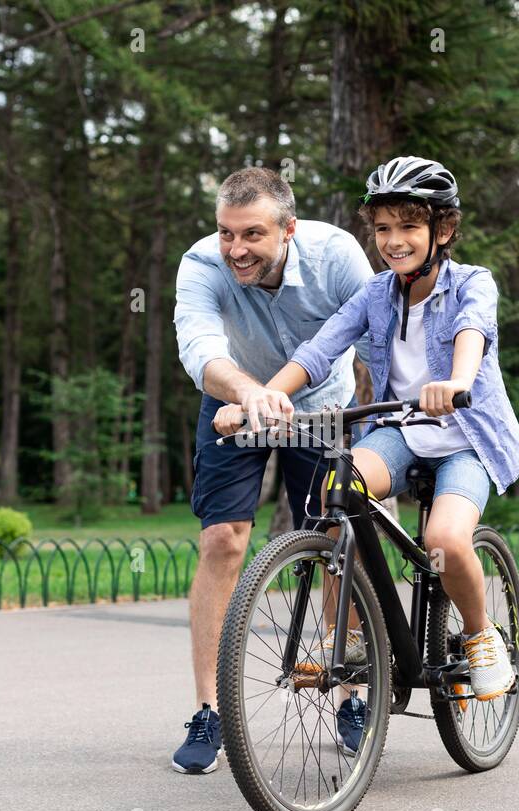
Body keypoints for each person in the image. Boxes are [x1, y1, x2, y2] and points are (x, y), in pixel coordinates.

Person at [215, 156, 519, 743]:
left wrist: (458, 383)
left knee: (443, 540)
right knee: (338, 493)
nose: (393, 241)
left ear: (443, 230)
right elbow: (318, 350)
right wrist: (261, 398)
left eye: (409, 227)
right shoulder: (376, 295)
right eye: (382, 228)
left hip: (466, 438)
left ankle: (479, 631)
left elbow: (473, 334)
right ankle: (357, 637)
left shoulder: (472, 282)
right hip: (402, 431)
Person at [169, 166, 373, 773]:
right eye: (227, 233)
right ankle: (208, 710)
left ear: (288, 229)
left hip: (323, 406)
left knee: (338, 543)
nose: (236, 250)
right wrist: (249, 393)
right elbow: (200, 347)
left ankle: (352, 694)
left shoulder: (337, 255)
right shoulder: (202, 264)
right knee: (223, 541)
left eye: (252, 235)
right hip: (235, 403)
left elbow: (379, 331)